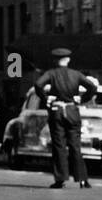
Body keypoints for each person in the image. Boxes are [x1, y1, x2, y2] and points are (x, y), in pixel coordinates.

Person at [35, 47, 97, 189]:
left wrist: (46, 99)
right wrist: (82, 99)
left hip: (57, 110)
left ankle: (60, 178)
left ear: (55, 61)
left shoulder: (51, 73)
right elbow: (92, 87)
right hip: (72, 110)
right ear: (68, 60)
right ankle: (82, 179)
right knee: (75, 145)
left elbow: (38, 84)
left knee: (59, 145)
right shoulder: (76, 74)